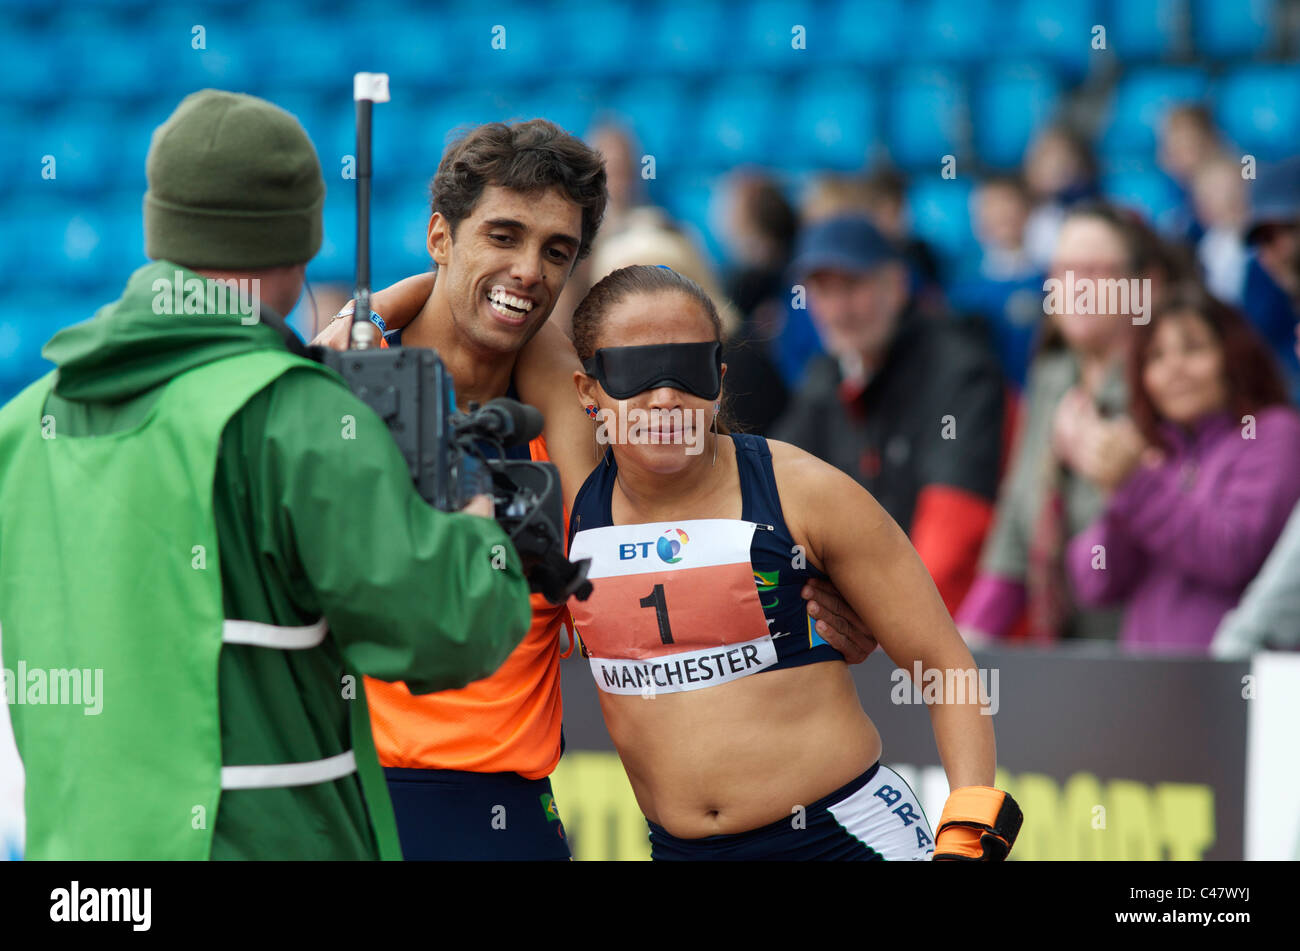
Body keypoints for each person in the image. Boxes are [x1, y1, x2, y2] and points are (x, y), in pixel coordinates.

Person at [314, 120, 873, 859]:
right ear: (440, 237)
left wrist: (812, 611)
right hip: (352, 805)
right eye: (503, 236)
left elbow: (655, 579)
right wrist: (364, 319)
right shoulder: (340, 392)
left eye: (556, 251)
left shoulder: (577, 421)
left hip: (510, 813)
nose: (529, 270)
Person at [0, 90, 533, 860]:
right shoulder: (299, 417)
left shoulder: (22, 426)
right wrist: (473, 520)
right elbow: (449, 632)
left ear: (160, 227)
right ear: (301, 239)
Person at [565, 264, 1021, 861]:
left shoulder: (803, 490)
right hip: (676, 850)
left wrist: (966, 833)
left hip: (844, 841)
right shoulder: (574, 502)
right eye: (635, 371)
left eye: (687, 368)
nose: (666, 396)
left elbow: (945, 664)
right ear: (588, 391)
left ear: (720, 380)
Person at [956, 202, 1177, 644]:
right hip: (1062, 656)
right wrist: (967, 645)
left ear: (1146, 286)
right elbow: (1015, 532)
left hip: (1148, 652)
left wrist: (1122, 474)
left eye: (1094, 271)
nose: (1074, 288)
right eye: (1062, 272)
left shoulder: (1170, 385)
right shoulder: (1051, 378)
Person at [771, 215, 1006, 613]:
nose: (838, 309)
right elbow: (774, 491)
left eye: (852, 286)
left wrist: (893, 626)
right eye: (823, 291)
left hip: (957, 624)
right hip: (870, 617)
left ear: (896, 286)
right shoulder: (825, 377)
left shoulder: (959, 371)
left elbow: (954, 530)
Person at [1065, 290, 1300, 652]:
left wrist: (1135, 483)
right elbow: (1095, 582)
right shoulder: (1152, 453)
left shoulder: (1273, 432)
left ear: (1233, 357)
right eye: (1156, 356)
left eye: (1193, 349)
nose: (1174, 368)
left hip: (1233, 676)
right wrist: (1116, 494)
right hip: (1146, 677)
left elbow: (1231, 553)